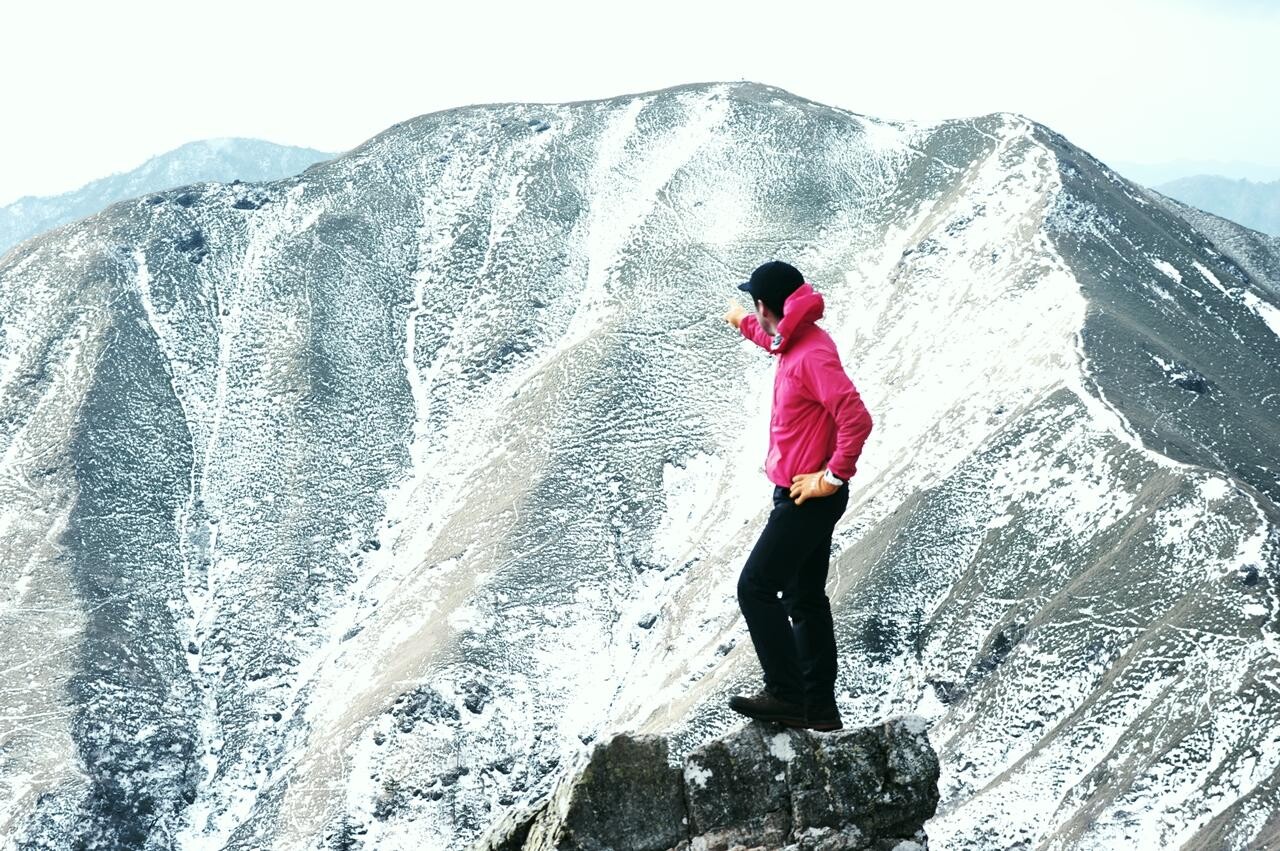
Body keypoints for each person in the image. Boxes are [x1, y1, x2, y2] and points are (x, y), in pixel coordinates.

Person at [721, 259, 873, 732]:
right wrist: (742, 324)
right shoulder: (797, 339)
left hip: (809, 496)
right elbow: (773, 340)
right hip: (803, 493)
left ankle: (787, 695)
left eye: (754, 307)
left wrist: (831, 477)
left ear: (767, 305)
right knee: (804, 598)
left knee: (755, 587)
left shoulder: (809, 357)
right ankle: (820, 711)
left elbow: (856, 417)